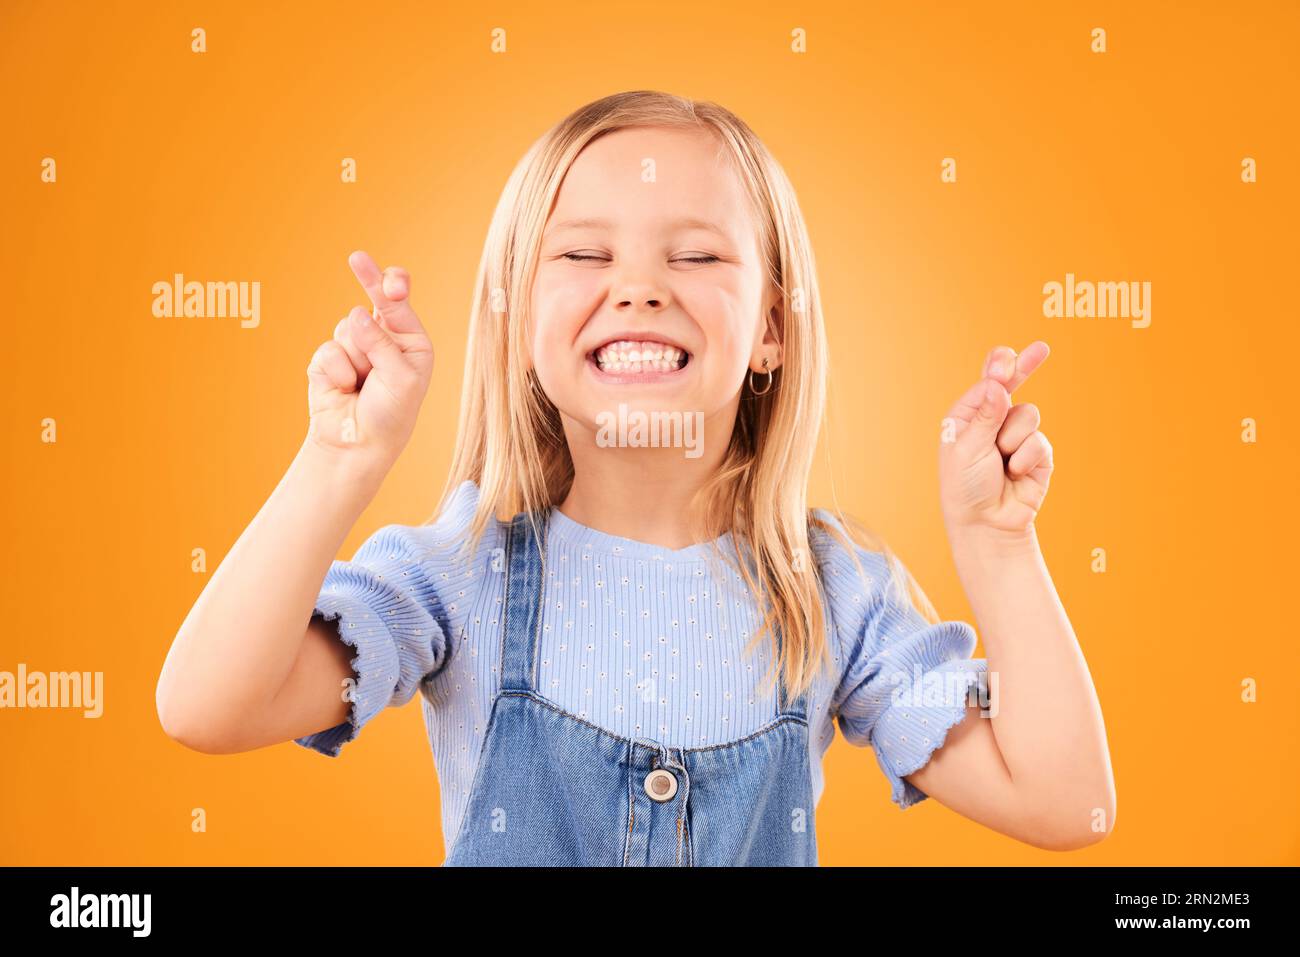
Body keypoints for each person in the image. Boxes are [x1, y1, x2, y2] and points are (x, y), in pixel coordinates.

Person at [156, 90, 1115, 866]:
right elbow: (207, 707)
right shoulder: (459, 569)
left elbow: (1070, 806)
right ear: (522, 325)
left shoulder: (832, 594)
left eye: (696, 255)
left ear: (772, 330)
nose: (641, 286)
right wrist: (341, 460)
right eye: (582, 253)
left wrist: (998, 545)